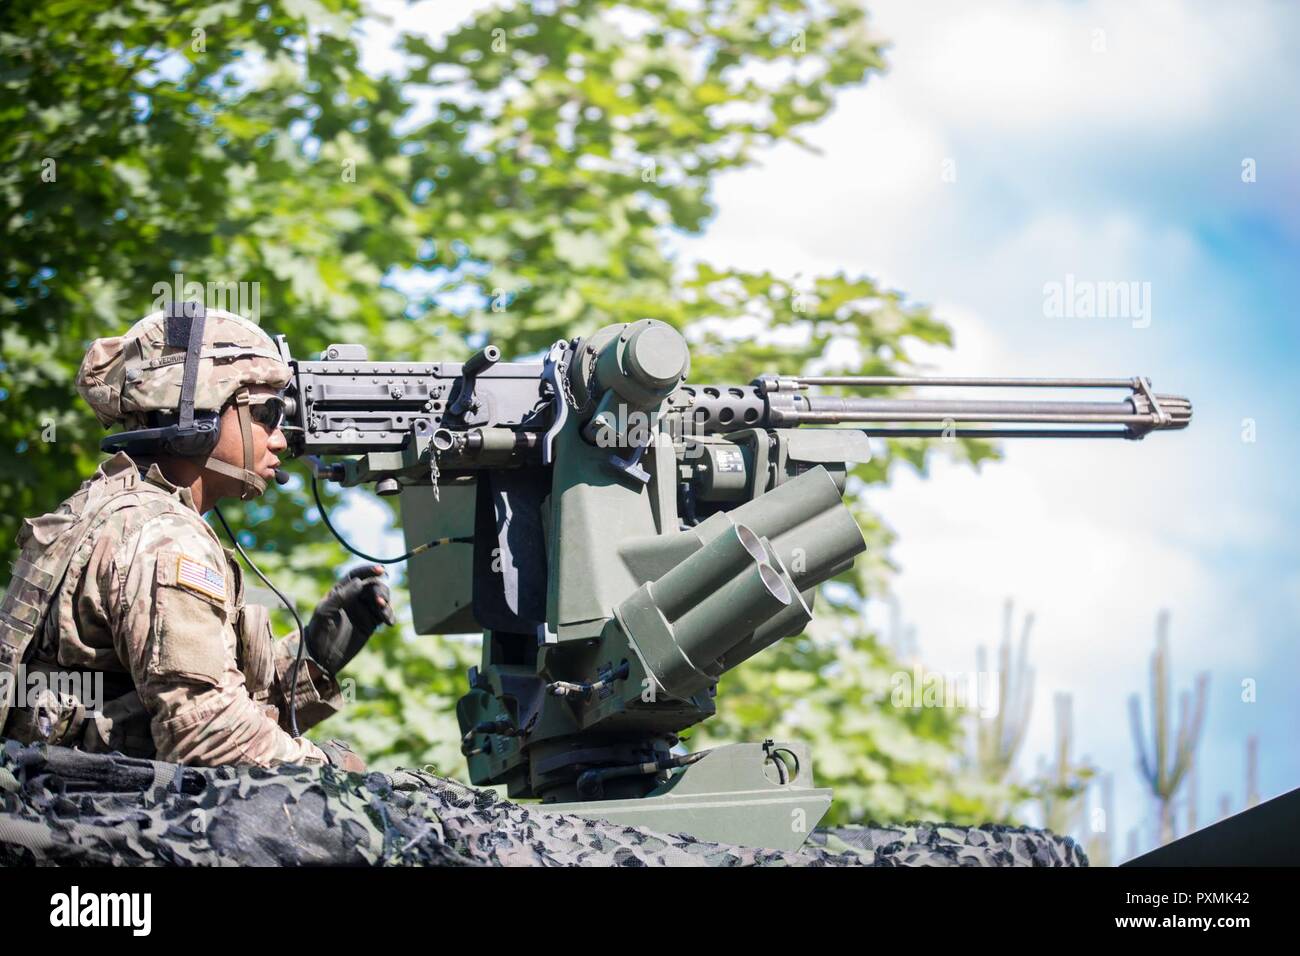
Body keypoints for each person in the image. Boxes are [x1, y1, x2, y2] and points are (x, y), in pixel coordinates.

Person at [0, 303, 393, 772]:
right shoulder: (163, 537)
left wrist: (317, 656)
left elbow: (190, 691)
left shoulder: (116, 508)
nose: (282, 440)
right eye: (267, 413)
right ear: (200, 414)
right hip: (111, 827)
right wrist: (331, 771)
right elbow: (208, 736)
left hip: (75, 815)